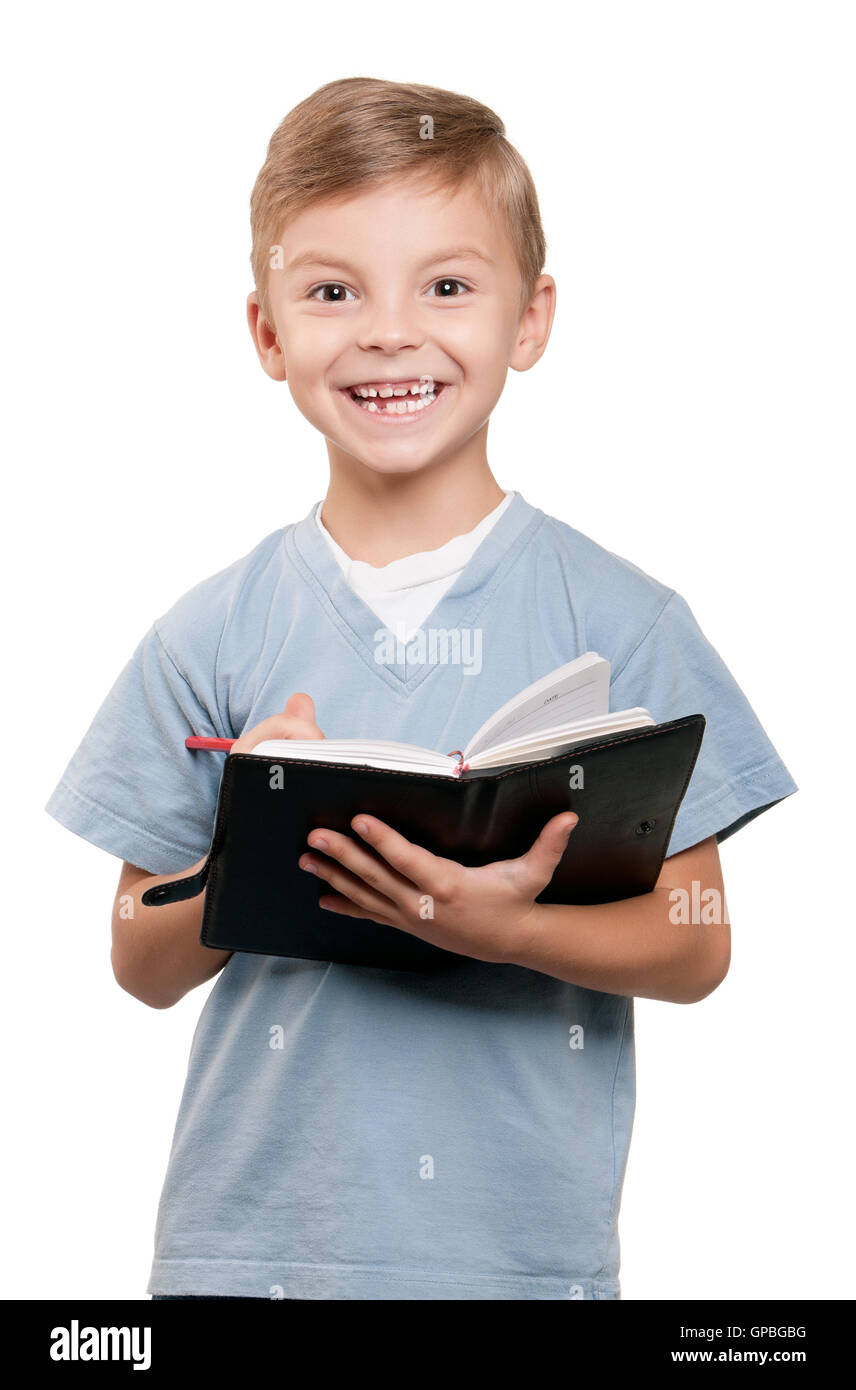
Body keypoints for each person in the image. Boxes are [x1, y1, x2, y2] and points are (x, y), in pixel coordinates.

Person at [45, 76, 797, 1301]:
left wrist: (504, 931)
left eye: (446, 286)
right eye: (334, 291)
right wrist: (251, 839)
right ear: (268, 332)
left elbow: (698, 940)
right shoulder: (210, 631)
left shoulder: (625, 622)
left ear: (530, 318)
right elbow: (139, 958)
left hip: (515, 1270)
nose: (390, 331)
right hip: (251, 1260)